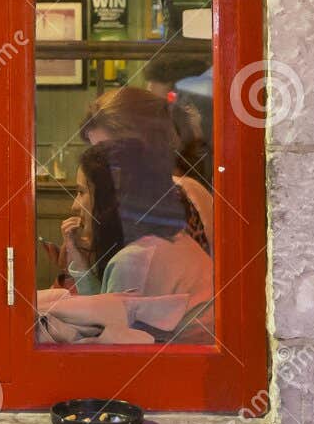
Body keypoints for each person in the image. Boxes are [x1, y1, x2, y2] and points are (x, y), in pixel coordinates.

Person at [53, 138, 214, 343]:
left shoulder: (135, 260)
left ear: (110, 197)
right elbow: (103, 310)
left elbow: (103, 343)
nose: (75, 206)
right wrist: (79, 258)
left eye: (81, 192)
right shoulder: (170, 241)